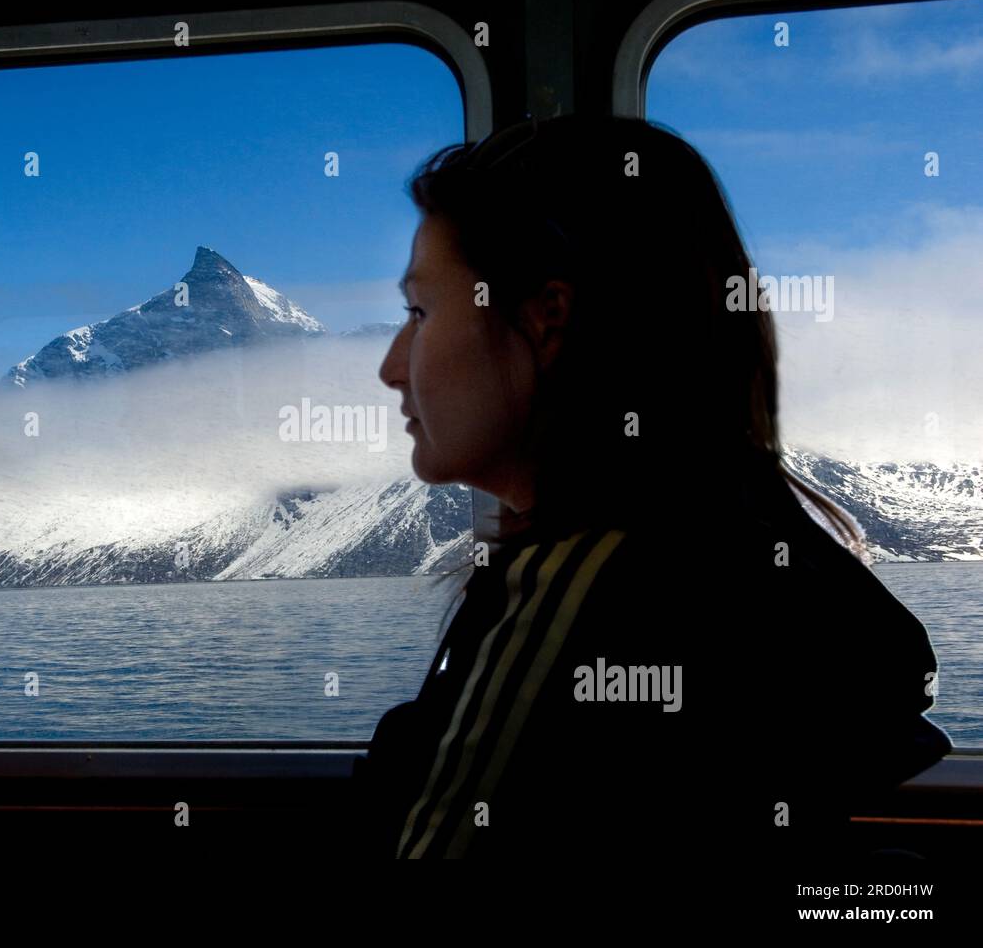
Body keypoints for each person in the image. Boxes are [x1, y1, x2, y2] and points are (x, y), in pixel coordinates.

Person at [352, 115, 952, 882]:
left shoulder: (588, 591)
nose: (391, 366)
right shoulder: (751, 547)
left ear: (547, 319)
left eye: (419, 313)